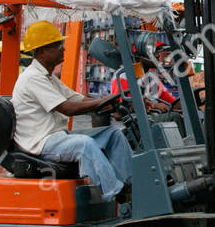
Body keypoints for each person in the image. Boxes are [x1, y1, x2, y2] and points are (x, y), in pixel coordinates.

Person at [11, 20, 132, 202]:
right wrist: (100, 102)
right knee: (84, 144)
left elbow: (76, 98)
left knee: (113, 134)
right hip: (41, 143)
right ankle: (116, 194)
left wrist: (106, 102)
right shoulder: (32, 78)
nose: (63, 49)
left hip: (58, 136)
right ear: (42, 50)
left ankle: (132, 184)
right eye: (58, 45)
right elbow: (67, 108)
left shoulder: (48, 77)